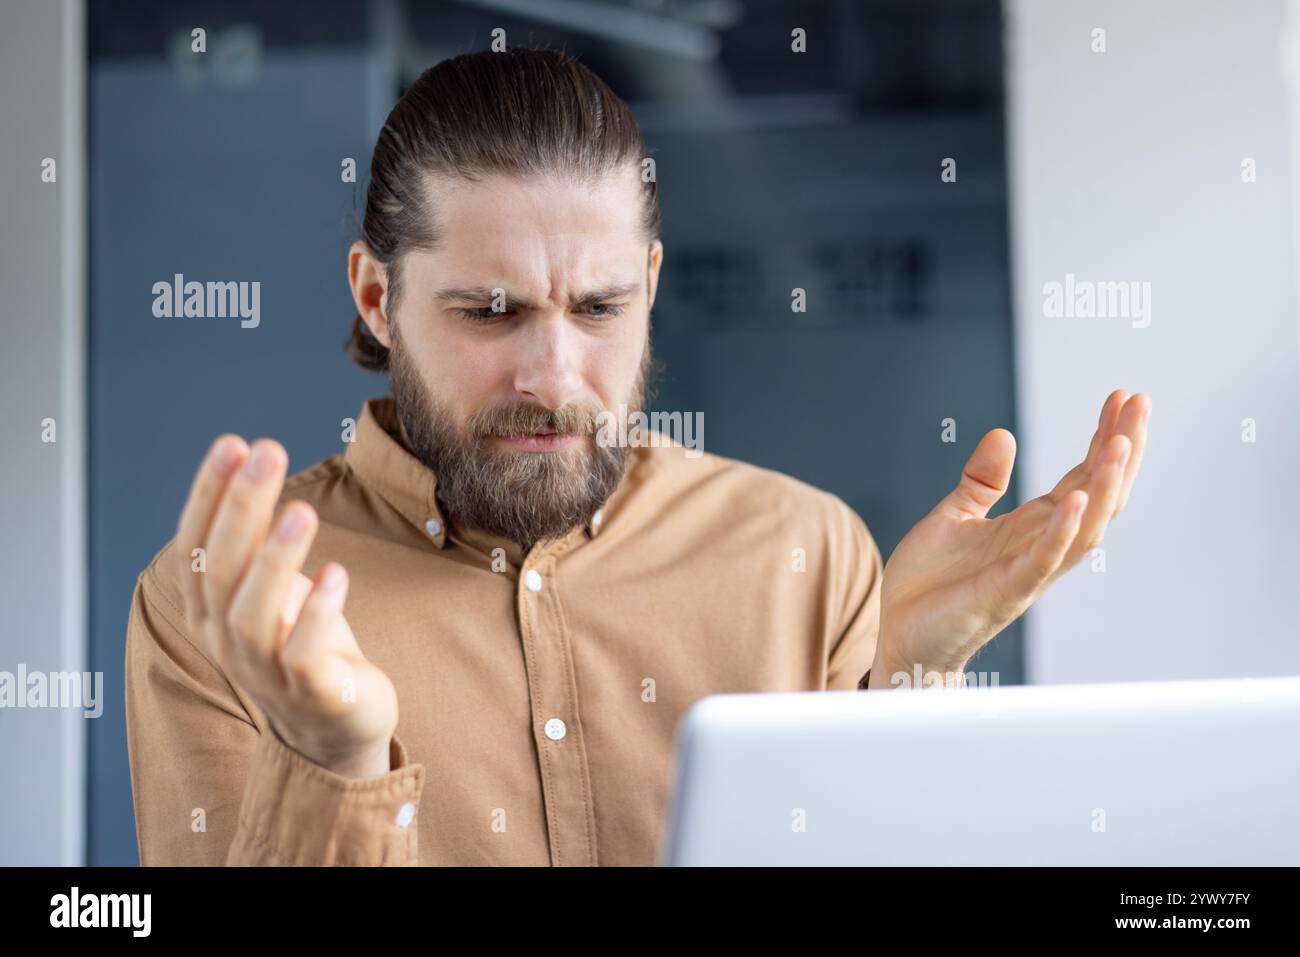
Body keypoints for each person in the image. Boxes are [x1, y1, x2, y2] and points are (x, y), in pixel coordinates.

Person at [125, 48, 1150, 866]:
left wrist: (910, 693)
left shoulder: (811, 554)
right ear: (375, 297)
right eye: (492, 311)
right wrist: (336, 765)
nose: (554, 375)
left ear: (650, 285)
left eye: (600, 307)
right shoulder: (218, 607)